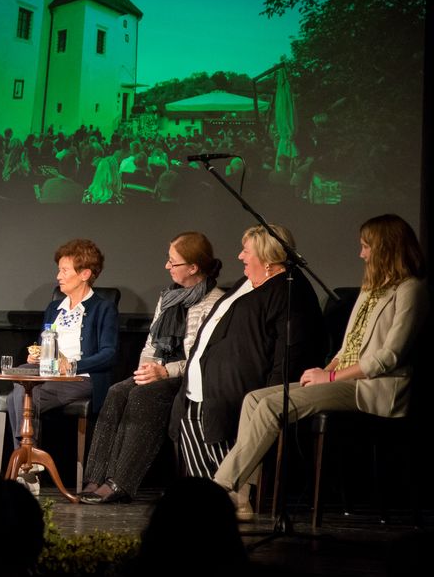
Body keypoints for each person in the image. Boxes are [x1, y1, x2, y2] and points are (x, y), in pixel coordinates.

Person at [214, 214, 427, 509]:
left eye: (366, 246)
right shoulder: (371, 288)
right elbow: (349, 345)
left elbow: (388, 357)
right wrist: (322, 371)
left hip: (372, 386)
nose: (361, 254)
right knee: (253, 399)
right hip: (343, 378)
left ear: (386, 247)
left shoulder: (411, 290)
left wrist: (329, 379)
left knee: (271, 405)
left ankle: (219, 487)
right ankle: (242, 496)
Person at [168, 223, 324, 511]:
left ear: (267, 256)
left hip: (239, 393)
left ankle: (228, 504)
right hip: (199, 389)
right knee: (192, 435)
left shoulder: (288, 290)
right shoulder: (246, 282)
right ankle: (211, 503)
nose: (240, 256)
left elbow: (289, 353)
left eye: (246, 251)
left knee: (218, 446)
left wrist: (271, 394)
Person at [80, 232, 224, 504]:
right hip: (159, 370)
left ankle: (120, 481)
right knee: (117, 392)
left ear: (193, 268)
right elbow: (151, 344)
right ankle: (95, 477)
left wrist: (163, 373)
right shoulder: (168, 297)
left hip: (188, 376)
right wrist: (145, 371)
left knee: (142, 397)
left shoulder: (214, 302)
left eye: (173, 262)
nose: (167, 267)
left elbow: (201, 357)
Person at [6, 239, 118, 495]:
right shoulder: (53, 308)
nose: (58, 276)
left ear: (85, 274)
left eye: (65, 271)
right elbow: (47, 343)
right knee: (19, 386)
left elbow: (109, 354)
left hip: (80, 379)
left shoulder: (102, 308)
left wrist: (74, 364)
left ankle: (26, 468)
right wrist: (38, 355)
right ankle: (28, 464)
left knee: (27, 396)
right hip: (49, 374)